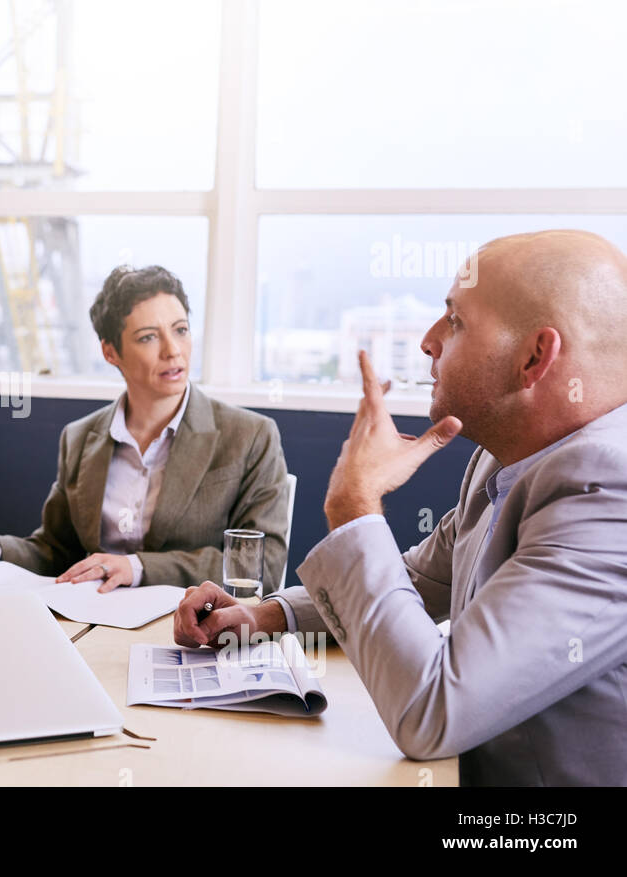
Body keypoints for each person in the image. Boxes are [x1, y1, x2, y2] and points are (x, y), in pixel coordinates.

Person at [174, 230, 627, 786]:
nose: (429, 341)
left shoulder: (607, 489)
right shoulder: (504, 459)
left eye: (455, 321)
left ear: (534, 357)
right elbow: (420, 578)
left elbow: (433, 714)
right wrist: (264, 616)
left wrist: (354, 505)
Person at [0, 265, 290, 592]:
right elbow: (57, 552)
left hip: (193, 623)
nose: (173, 351)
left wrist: (136, 567)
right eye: (148, 337)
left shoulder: (250, 436)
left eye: (180, 330)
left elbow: (263, 565)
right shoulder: (79, 438)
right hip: (94, 618)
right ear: (111, 352)